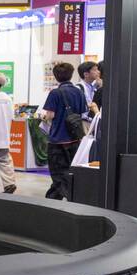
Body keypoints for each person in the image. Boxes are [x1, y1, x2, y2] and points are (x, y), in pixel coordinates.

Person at [39, 61, 88, 201]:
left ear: (55, 76)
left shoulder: (55, 93)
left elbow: (50, 115)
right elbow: (83, 111)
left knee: (58, 174)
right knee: (68, 172)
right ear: (71, 74)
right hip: (75, 139)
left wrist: (43, 117)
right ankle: (52, 200)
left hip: (58, 140)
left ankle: (73, 197)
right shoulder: (79, 92)